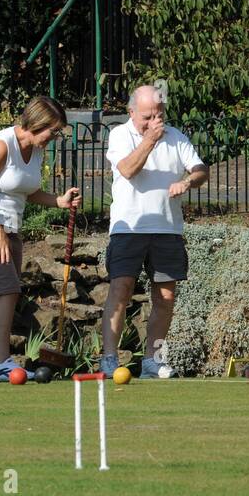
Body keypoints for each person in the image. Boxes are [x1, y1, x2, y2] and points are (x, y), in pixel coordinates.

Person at [0, 97, 80, 382]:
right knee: (6, 291)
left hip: (10, 228)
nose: (54, 137)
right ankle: (2, 362)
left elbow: (24, 190)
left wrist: (58, 201)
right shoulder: (1, 146)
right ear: (37, 124)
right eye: (53, 130)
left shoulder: (36, 150)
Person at [100, 85, 208, 379]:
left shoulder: (176, 137)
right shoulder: (121, 135)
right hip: (129, 227)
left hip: (168, 229)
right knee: (120, 291)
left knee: (165, 298)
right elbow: (128, 169)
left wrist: (188, 181)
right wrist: (149, 140)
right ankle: (109, 358)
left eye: (159, 114)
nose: (154, 121)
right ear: (131, 112)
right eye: (147, 116)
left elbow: (200, 169)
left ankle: (153, 360)